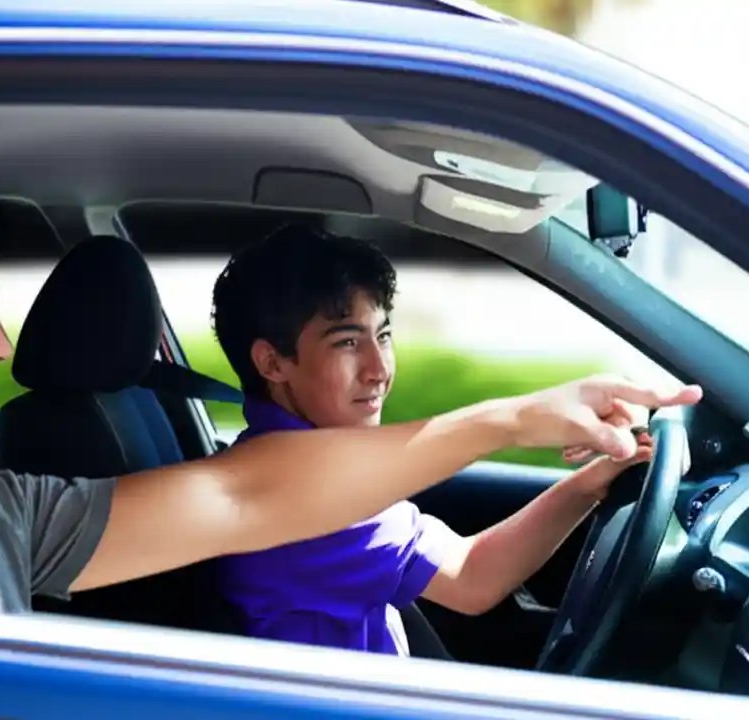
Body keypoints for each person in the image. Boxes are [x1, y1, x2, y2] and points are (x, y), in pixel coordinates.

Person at [0, 140, 702, 614]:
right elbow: (260, 499)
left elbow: (244, 493)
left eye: (383, 336)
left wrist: (567, 464)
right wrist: (515, 421)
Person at [209, 225, 655, 656]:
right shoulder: (310, 494)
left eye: (382, 336)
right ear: (272, 362)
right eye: (346, 343)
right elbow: (471, 577)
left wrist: (590, 484)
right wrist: (584, 486)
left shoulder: (283, 461)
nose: (379, 369)